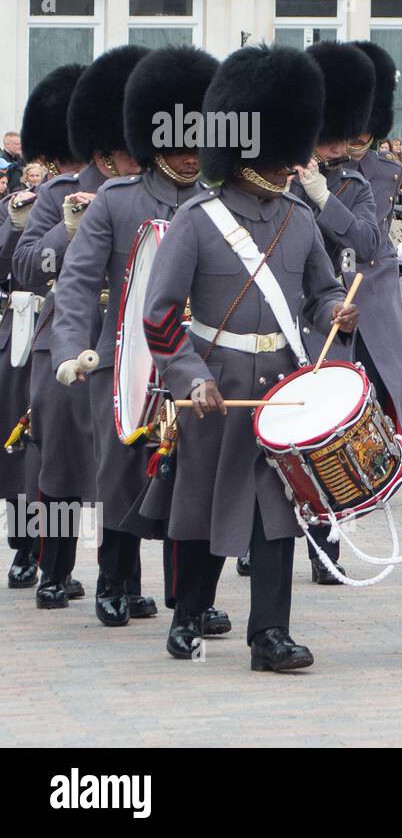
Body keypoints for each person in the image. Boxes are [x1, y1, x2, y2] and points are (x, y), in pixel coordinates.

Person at [143, 44, 355, 671]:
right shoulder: (198, 219)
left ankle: (269, 634)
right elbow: (160, 316)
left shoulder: (298, 217)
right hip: (218, 389)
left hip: (282, 390)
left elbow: (319, 294)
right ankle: (188, 614)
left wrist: (338, 312)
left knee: (275, 513)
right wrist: (191, 378)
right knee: (204, 508)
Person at [50, 45, 228, 634]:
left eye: (195, 141)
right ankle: (115, 580)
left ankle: (188, 598)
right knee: (122, 471)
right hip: (123, 357)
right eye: (177, 144)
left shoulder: (219, 205)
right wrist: (73, 347)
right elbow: (77, 282)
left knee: (192, 476)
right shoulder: (115, 201)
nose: (188, 153)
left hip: (194, 356)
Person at [14, 45, 150, 611]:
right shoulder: (54, 194)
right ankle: (54, 569)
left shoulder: (146, 192)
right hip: (64, 339)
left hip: (124, 339)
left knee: (127, 458)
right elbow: (23, 265)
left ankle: (123, 582)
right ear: (106, 149)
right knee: (62, 461)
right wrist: (67, 230)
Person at [293, 41, 387, 586]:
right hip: (283, 321)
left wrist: (322, 195)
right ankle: (265, 539)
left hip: (331, 320)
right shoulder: (275, 180)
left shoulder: (352, 182)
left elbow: (368, 242)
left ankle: (325, 546)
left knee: (326, 437)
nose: (332, 145)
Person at [1, 64, 83, 592]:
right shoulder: (40, 196)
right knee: (24, 452)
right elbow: (14, 263)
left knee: (64, 454)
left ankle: (57, 556)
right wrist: (16, 220)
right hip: (27, 327)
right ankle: (26, 547)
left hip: (71, 332)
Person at [348, 39, 402, 412]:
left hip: (371, 290)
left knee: (377, 392)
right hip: (322, 292)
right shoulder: (308, 169)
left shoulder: (386, 169)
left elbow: (367, 237)